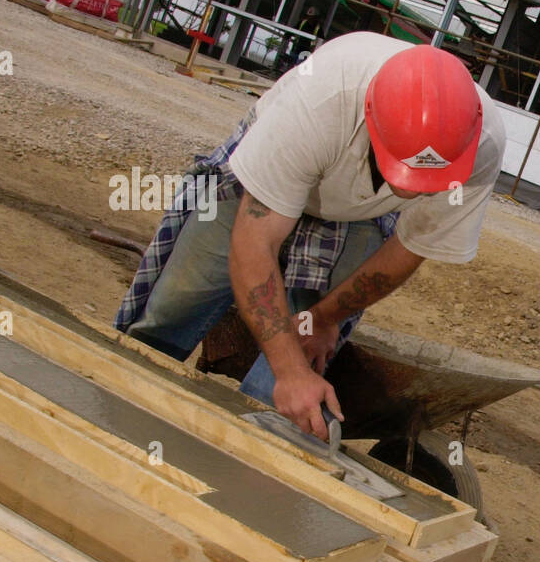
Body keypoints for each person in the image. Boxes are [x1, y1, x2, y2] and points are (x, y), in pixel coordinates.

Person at [114, 33, 506, 440]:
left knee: (297, 366)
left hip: (359, 213)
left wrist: (324, 319)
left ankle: (252, 450)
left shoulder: (482, 145)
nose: (418, 188)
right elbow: (254, 242)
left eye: (431, 179)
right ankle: (118, 404)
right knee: (175, 305)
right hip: (269, 177)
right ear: (372, 121)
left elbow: (409, 248)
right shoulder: (321, 102)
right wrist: (289, 371)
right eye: (409, 171)